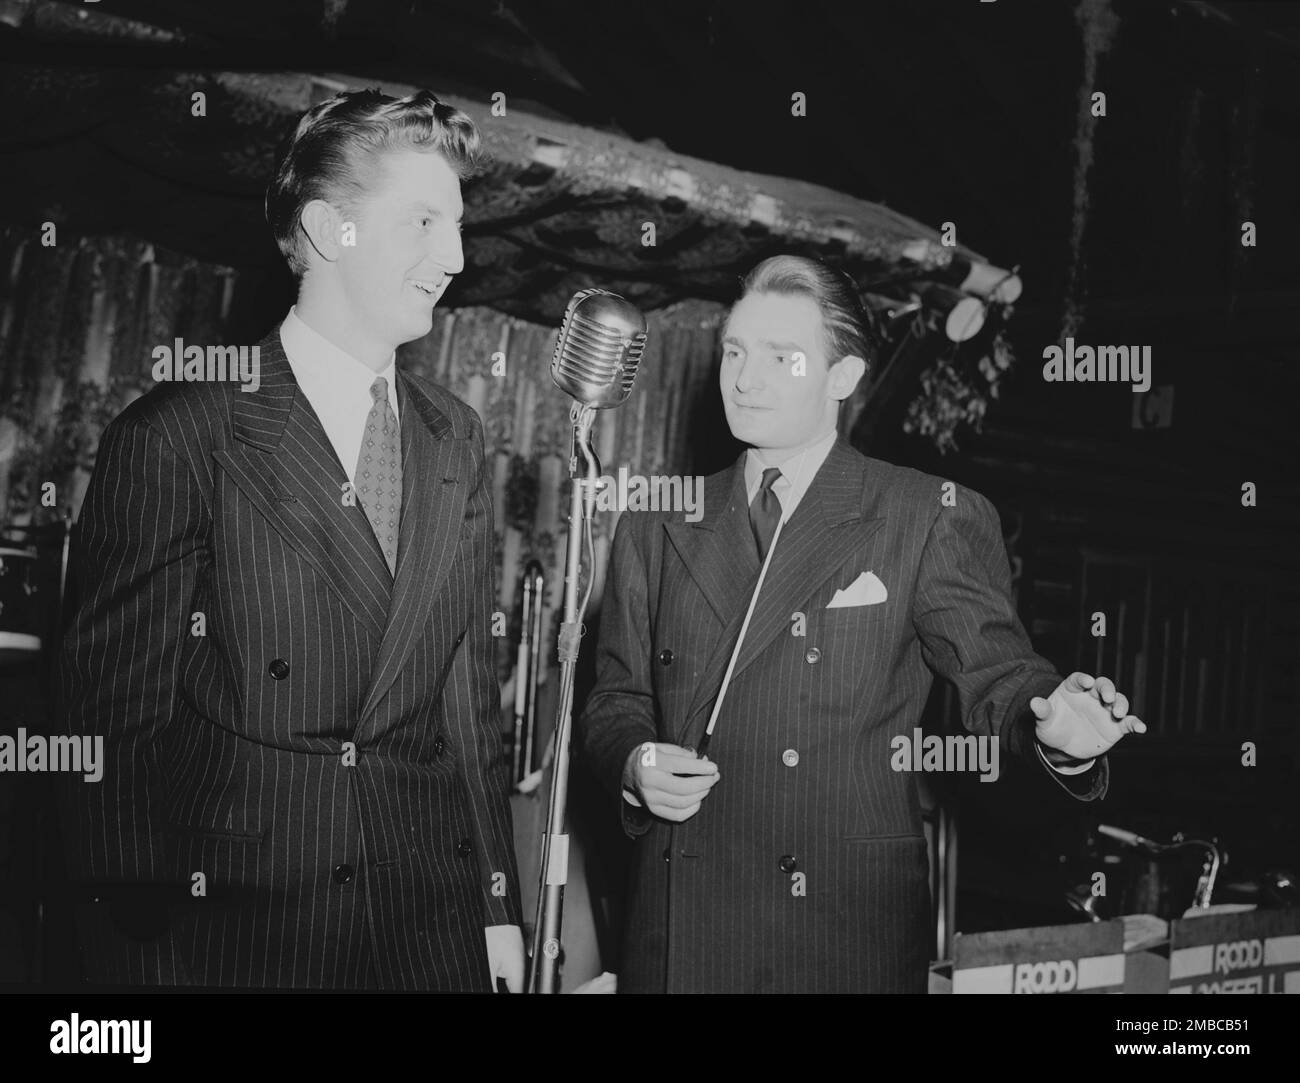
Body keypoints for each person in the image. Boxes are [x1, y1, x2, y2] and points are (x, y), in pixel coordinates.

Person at [58, 88, 523, 990]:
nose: (455, 257)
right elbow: (110, 733)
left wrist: (496, 907)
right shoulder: (181, 432)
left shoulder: (457, 437)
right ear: (327, 230)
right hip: (240, 931)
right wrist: (134, 966)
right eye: (424, 221)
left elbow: (468, 701)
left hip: (426, 928)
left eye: (458, 225)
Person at [579, 254, 1145, 993]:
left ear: (842, 378)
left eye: (783, 357)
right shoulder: (657, 520)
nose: (745, 379)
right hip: (680, 931)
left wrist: (1057, 733)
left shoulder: (922, 513)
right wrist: (634, 763)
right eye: (735, 352)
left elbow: (1001, 677)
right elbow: (613, 699)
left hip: (837, 938)